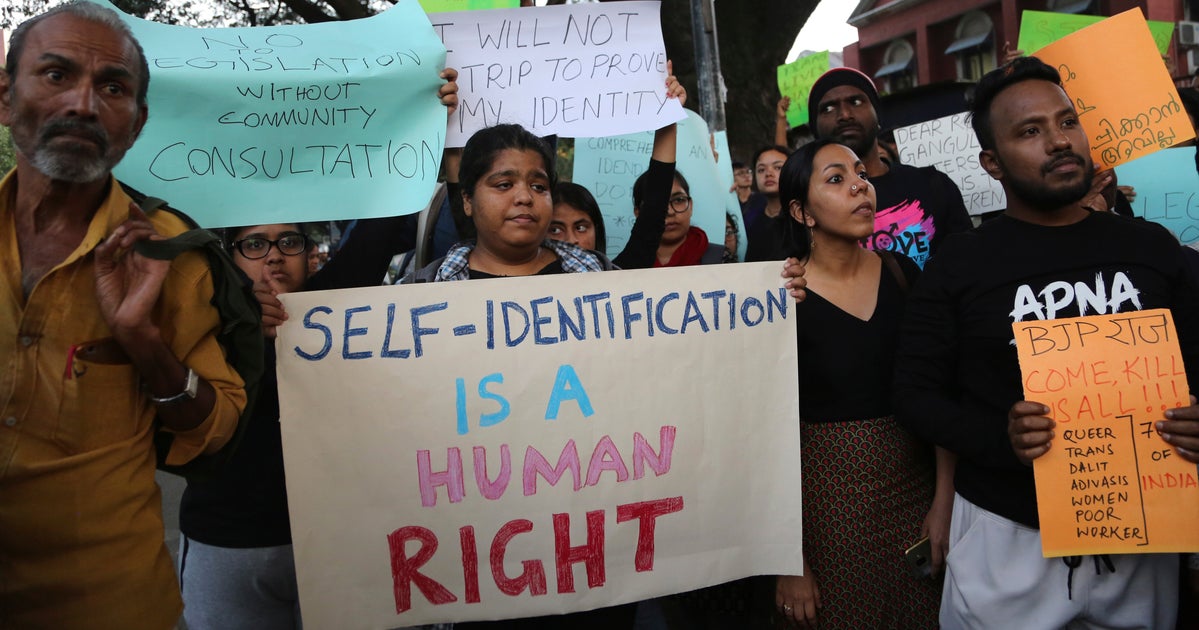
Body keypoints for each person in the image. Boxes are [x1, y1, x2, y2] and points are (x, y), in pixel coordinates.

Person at [895, 56, 1199, 628]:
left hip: (1145, 531)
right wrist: (999, 438)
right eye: (1030, 132)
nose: (1058, 142)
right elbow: (914, 394)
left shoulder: (1152, 248)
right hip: (1008, 537)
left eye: (1067, 122)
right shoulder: (961, 263)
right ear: (992, 162)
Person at [177, 71, 458, 630]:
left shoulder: (338, 308)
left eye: (289, 241)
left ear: (314, 257)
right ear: (230, 257)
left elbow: (385, 220)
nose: (273, 256)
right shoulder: (195, 320)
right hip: (228, 546)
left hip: (336, 546)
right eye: (253, 244)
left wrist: (435, 121)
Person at [0, 3, 248, 627]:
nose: (83, 104)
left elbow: (215, 428)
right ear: (5, 98)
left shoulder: (169, 253)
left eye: (113, 88)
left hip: (105, 600)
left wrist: (144, 342)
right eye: (56, 75)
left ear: (136, 125)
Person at [771, 139, 949, 629]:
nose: (859, 186)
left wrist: (944, 501)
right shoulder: (781, 297)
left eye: (860, 174)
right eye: (835, 179)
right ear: (801, 211)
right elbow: (763, 436)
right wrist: (790, 560)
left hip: (915, 497)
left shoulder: (903, 274)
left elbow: (939, 392)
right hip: (827, 514)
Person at [808, 67, 972, 268]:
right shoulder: (809, 205)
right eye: (828, 108)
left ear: (878, 117)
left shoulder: (932, 184)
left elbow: (967, 266)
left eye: (856, 102)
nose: (844, 114)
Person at [547, 64, 686, 270]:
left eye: (582, 227)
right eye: (556, 230)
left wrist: (667, 113)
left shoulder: (619, 277)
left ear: (597, 231)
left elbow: (655, 209)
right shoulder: (509, 285)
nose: (571, 240)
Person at [742, 144, 791, 262]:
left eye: (778, 167)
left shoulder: (805, 218)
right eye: (761, 170)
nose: (768, 173)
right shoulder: (751, 222)